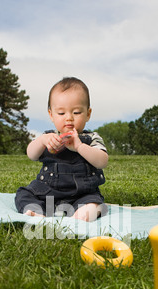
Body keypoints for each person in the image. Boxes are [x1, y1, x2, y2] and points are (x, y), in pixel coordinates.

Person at [15, 77, 109, 222]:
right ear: (51, 114)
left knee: (94, 202)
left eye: (77, 112)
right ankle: (36, 211)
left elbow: (102, 161)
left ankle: (82, 214)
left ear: (88, 114)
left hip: (82, 193)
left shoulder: (91, 138)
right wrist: (42, 141)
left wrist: (79, 147)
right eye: (61, 113)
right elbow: (31, 154)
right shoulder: (48, 137)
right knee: (24, 194)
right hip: (48, 190)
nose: (69, 118)